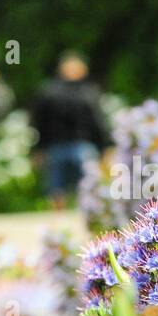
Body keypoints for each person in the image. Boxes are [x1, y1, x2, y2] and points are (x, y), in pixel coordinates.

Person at [30, 50, 111, 207]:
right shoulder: (89, 92)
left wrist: (38, 148)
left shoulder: (48, 92)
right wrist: (106, 147)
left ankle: (61, 218)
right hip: (82, 147)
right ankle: (88, 213)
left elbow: (39, 123)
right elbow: (98, 123)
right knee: (90, 185)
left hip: (56, 148)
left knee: (57, 188)